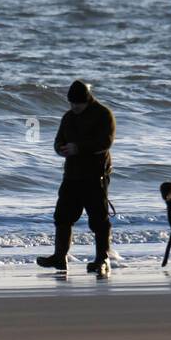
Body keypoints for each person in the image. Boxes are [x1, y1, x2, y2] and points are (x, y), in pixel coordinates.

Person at [36, 80, 116, 276]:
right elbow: (58, 140)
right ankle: (59, 257)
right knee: (62, 217)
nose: (74, 107)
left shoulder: (103, 114)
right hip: (71, 176)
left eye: (77, 104)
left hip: (96, 175)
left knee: (99, 220)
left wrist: (79, 148)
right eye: (71, 104)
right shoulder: (68, 117)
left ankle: (102, 259)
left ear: (87, 100)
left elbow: (106, 142)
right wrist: (60, 149)